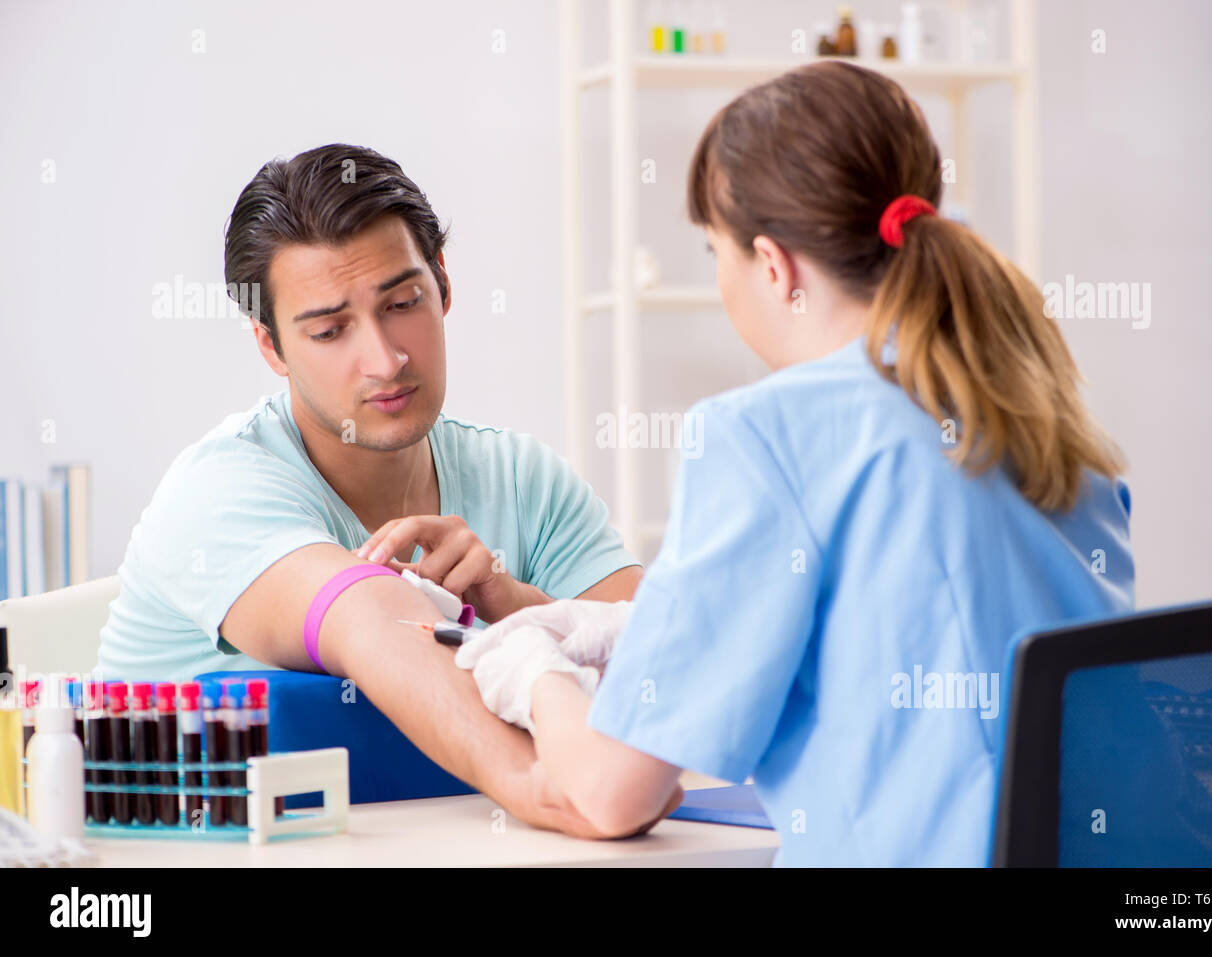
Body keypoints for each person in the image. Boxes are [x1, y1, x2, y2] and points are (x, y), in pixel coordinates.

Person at [455, 62, 1136, 865]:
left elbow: (610, 793)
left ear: (773, 265)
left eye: (716, 251)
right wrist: (654, 631)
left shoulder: (763, 434)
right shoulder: (1037, 414)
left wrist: (535, 674)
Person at [94, 144, 650, 837]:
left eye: (403, 302)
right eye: (329, 330)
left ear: (443, 283)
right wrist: (559, 788)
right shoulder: (218, 492)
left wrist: (517, 607)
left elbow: (672, 655)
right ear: (271, 346)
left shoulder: (520, 477)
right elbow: (372, 621)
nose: (386, 359)